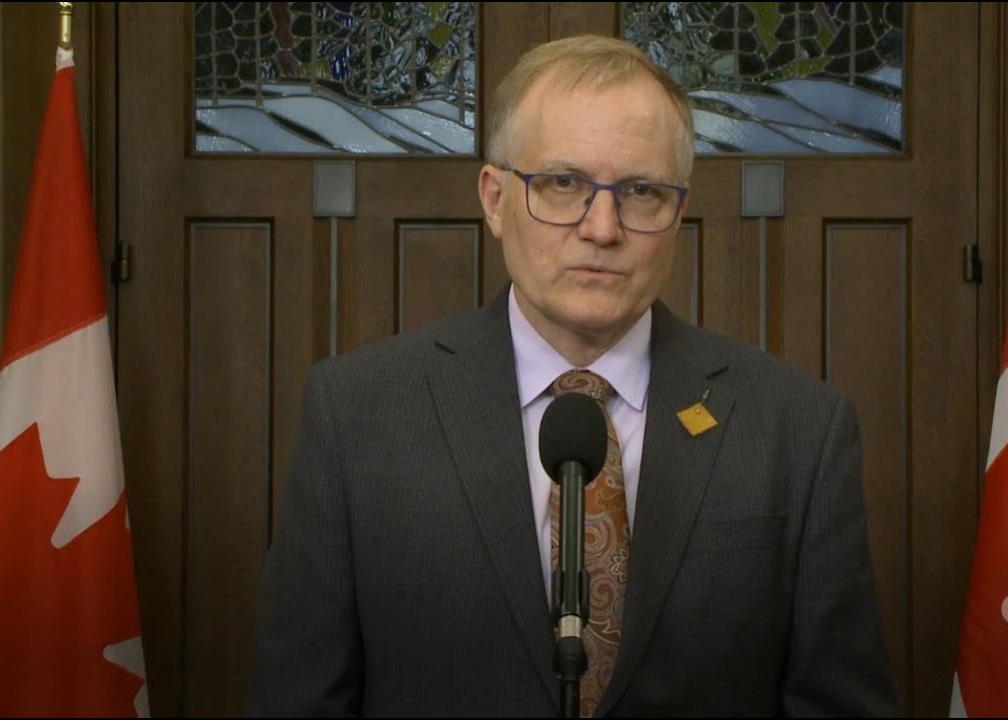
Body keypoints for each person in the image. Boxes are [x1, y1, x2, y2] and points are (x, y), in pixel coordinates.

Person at [250, 34, 897, 718]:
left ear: (678, 211)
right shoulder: (357, 414)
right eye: (563, 184)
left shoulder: (798, 427)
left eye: (641, 191)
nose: (602, 227)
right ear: (495, 200)